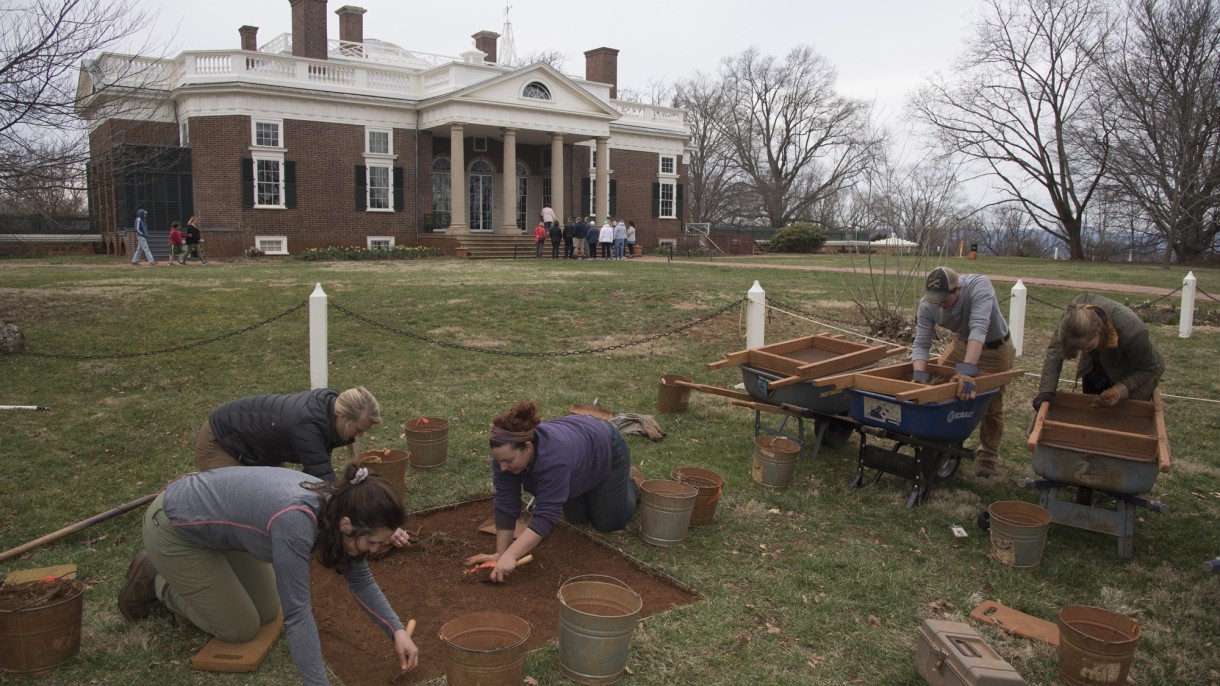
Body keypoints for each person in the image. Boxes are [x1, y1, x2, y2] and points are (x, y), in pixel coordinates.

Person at [117, 461, 420, 685]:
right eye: (372, 542)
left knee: (265, 611)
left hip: (223, 532)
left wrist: (395, 630)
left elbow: (360, 578)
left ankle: (203, 570)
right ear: (346, 525)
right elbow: (298, 615)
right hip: (175, 526)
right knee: (240, 629)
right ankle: (156, 577)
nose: (374, 550)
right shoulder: (295, 523)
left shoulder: (341, 506)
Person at [465, 401, 641, 583]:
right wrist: (501, 554)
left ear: (527, 448)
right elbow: (506, 501)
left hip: (605, 446)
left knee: (608, 522)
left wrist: (512, 555)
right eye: (499, 461)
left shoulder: (554, 459)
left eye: (508, 461)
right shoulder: (504, 457)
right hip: (576, 462)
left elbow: (546, 516)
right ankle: (594, 486)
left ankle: (631, 481)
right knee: (578, 519)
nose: (502, 468)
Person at [912, 267, 1013, 478]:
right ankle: (941, 442)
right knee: (938, 388)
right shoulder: (928, 303)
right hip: (961, 344)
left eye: (943, 299)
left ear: (958, 289)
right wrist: (919, 378)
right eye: (934, 299)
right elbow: (921, 343)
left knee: (991, 404)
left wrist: (967, 373)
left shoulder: (979, 286)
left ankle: (988, 457)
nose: (938, 304)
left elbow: (979, 328)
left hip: (994, 348)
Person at [194, 387, 379, 481]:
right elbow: (323, 481)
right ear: (343, 418)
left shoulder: (330, 408)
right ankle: (180, 490)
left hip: (261, 447)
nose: (360, 435)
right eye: (359, 429)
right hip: (223, 441)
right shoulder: (308, 425)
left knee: (278, 494)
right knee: (236, 500)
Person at [1034, 294, 1165, 410]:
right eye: (1081, 348)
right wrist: (1046, 392)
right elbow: (1055, 350)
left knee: (1122, 417)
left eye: (1089, 346)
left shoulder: (1133, 331)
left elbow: (1150, 368)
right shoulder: (1074, 315)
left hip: (1136, 370)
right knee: (1094, 410)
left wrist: (1119, 390)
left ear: (1099, 331)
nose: (1084, 352)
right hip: (1099, 364)